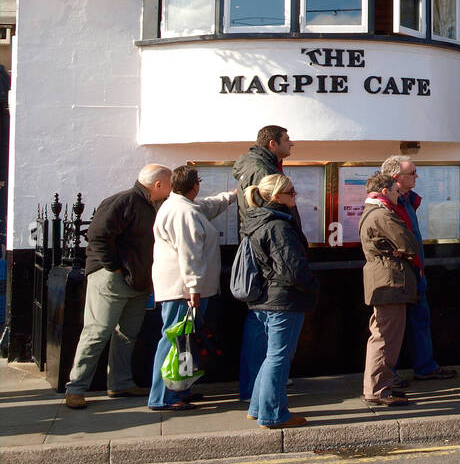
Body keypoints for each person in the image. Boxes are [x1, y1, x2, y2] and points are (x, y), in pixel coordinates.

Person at [64, 165, 173, 409]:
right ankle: (76, 387)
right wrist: (114, 268)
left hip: (138, 280)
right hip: (114, 278)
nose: (172, 187)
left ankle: (120, 383)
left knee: (126, 334)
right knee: (97, 331)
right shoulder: (124, 201)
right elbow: (97, 235)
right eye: (170, 183)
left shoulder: (155, 205)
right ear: (158, 184)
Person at [148, 165, 236, 410]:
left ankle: (179, 389)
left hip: (183, 288)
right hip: (183, 291)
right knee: (175, 341)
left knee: (183, 342)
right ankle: (163, 397)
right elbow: (190, 253)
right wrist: (194, 288)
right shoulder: (182, 212)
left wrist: (232, 196)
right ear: (195, 185)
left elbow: (207, 206)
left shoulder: (183, 206)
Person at [242, 173, 316, 429]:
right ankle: (273, 414)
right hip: (283, 299)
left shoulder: (258, 220)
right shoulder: (279, 226)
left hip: (265, 297)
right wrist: (311, 285)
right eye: (291, 192)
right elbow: (292, 268)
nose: (295, 196)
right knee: (279, 357)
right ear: (276, 196)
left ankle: (257, 407)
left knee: (271, 356)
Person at [233, 125, 297, 401]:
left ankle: (257, 389)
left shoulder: (258, 165)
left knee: (261, 322)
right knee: (264, 326)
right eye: (287, 139)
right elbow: (262, 212)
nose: (291, 144)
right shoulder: (261, 169)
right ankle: (257, 392)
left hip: (264, 250)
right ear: (272, 143)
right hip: (269, 254)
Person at [380, 155, 456, 382]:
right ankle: (388, 376)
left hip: (415, 270)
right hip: (398, 274)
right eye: (412, 172)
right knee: (392, 327)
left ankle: (425, 366)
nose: (417, 176)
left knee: (420, 320)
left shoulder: (407, 201)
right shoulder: (387, 204)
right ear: (396, 177)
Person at [360, 170, 423, 408]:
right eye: (396, 191)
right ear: (385, 191)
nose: (399, 195)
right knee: (387, 338)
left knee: (382, 334)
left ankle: (376, 386)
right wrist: (404, 250)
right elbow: (410, 244)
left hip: (383, 280)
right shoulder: (383, 214)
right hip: (390, 280)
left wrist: (402, 249)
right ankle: (378, 390)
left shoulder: (373, 211)